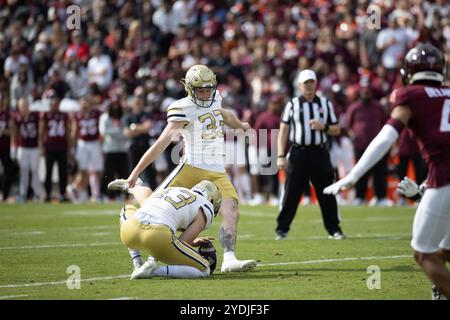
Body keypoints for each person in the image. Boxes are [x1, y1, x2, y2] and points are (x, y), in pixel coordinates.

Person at [324, 44, 450, 299]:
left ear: (409, 71)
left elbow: (385, 138)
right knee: (444, 249)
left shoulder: (410, 95)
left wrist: (353, 176)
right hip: (440, 178)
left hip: (444, 179)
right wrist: (424, 189)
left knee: (422, 252)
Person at [116, 64, 256, 273]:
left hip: (217, 170)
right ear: (190, 88)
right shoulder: (183, 108)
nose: (206, 93)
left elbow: (223, 114)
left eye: (209, 88)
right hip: (190, 166)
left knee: (231, 211)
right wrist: (136, 172)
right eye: (201, 89)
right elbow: (161, 143)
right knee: (153, 205)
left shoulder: (214, 98)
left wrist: (240, 125)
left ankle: (229, 259)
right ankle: (145, 254)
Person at [276, 69, 345, 241]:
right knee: (291, 192)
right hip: (298, 152)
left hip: (320, 152)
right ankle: (282, 228)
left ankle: (334, 228)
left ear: (316, 84)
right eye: (305, 83)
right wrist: (280, 155)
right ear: (299, 85)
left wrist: (324, 127)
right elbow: (283, 131)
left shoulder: (325, 104)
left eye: (311, 82)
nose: (309, 85)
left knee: (327, 192)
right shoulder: (292, 104)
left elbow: (337, 129)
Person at [116, 180, 221, 279]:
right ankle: (153, 271)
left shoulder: (173, 189)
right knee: (204, 269)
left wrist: (192, 242)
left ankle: (137, 262)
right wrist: (190, 243)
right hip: (157, 237)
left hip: (129, 232)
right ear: (211, 199)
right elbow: (181, 241)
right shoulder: (205, 206)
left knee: (127, 209)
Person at [345, 77, 390, 206]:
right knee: (361, 171)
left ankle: (380, 197)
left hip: (377, 145)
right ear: (360, 91)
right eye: (364, 91)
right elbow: (348, 126)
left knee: (380, 171)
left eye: (368, 91)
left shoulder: (378, 106)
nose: (366, 93)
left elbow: (385, 123)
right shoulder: (354, 107)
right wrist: (353, 136)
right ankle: (360, 196)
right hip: (360, 145)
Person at [67, 96, 103, 203]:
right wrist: (72, 148)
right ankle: (83, 193)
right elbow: (74, 132)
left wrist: (100, 144)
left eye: (86, 104)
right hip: (82, 143)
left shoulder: (96, 114)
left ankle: (96, 193)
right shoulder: (77, 116)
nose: (84, 106)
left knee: (97, 169)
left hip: (94, 142)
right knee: (83, 169)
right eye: (82, 104)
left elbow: (100, 130)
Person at [39, 91, 70, 202]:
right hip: (50, 147)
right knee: (49, 172)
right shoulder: (46, 115)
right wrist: (41, 146)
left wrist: (69, 146)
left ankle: (62, 194)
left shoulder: (64, 115)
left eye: (57, 103)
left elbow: (67, 130)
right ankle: (47, 194)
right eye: (53, 103)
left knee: (63, 172)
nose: (55, 105)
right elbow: (42, 131)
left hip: (61, 147)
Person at [11, 98, 41, 202]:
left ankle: (37, 194)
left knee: (35, 171)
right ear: (19, 107)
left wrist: (40, 145)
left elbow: (41, 130)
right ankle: (23, 194)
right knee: (23, 171)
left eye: (25, 105)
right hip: (22, 147)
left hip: (34, 147)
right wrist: (14, 147)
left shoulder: (35, 116)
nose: (23, 107)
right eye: (21, 106)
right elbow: (14, 133)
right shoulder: (17, 118)